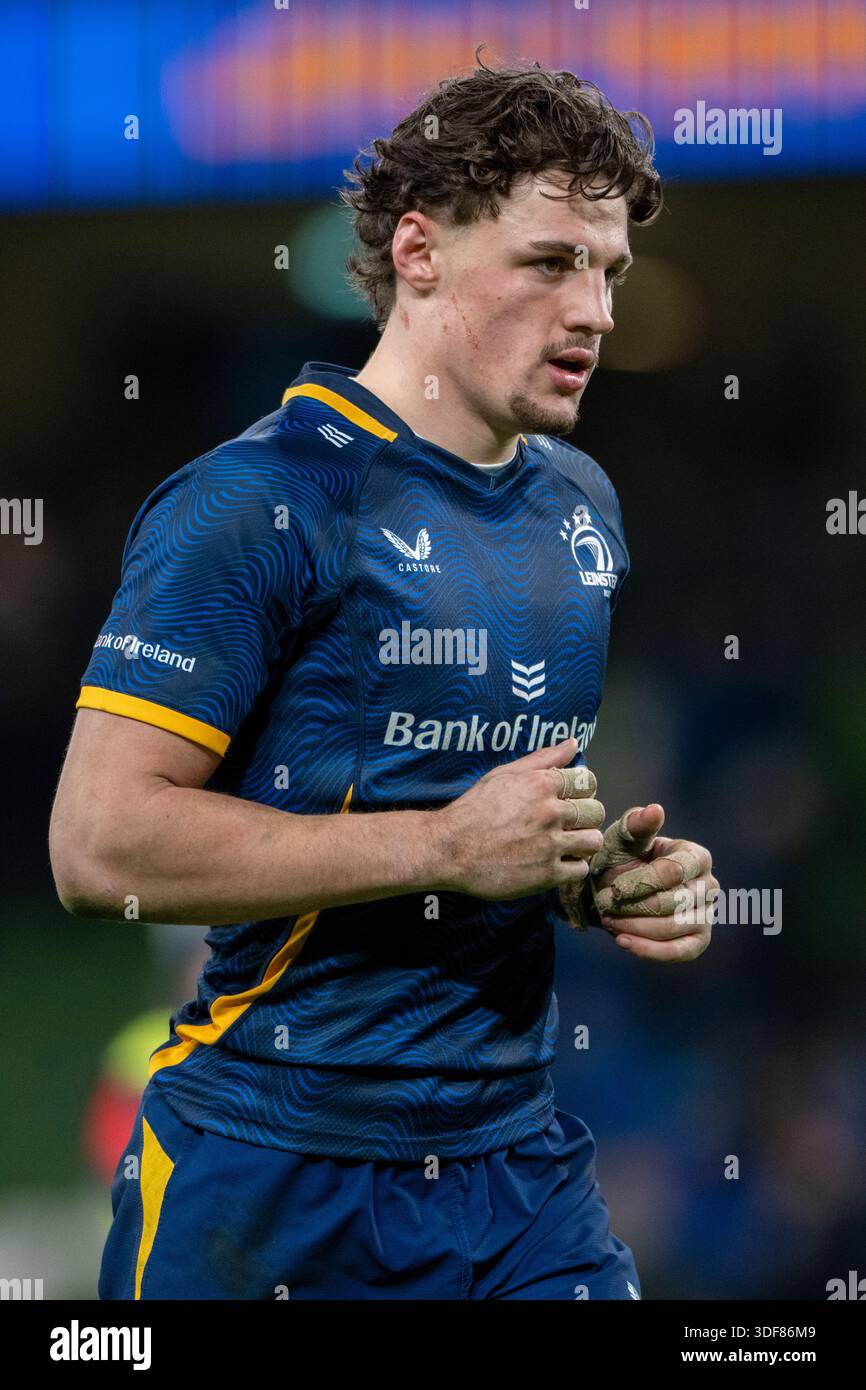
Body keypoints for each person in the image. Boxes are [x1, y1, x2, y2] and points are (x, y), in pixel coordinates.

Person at [49, 55, 718, 1301]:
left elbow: (476, 807)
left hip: (518, 1173)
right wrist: (442, 847)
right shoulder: (257, 501)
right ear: (418, 253)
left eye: (608, 271)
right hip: (272, 1179)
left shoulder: (581, 504)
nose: (595, 313)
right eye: (549, 262)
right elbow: (97, 848)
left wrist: (591, 870)